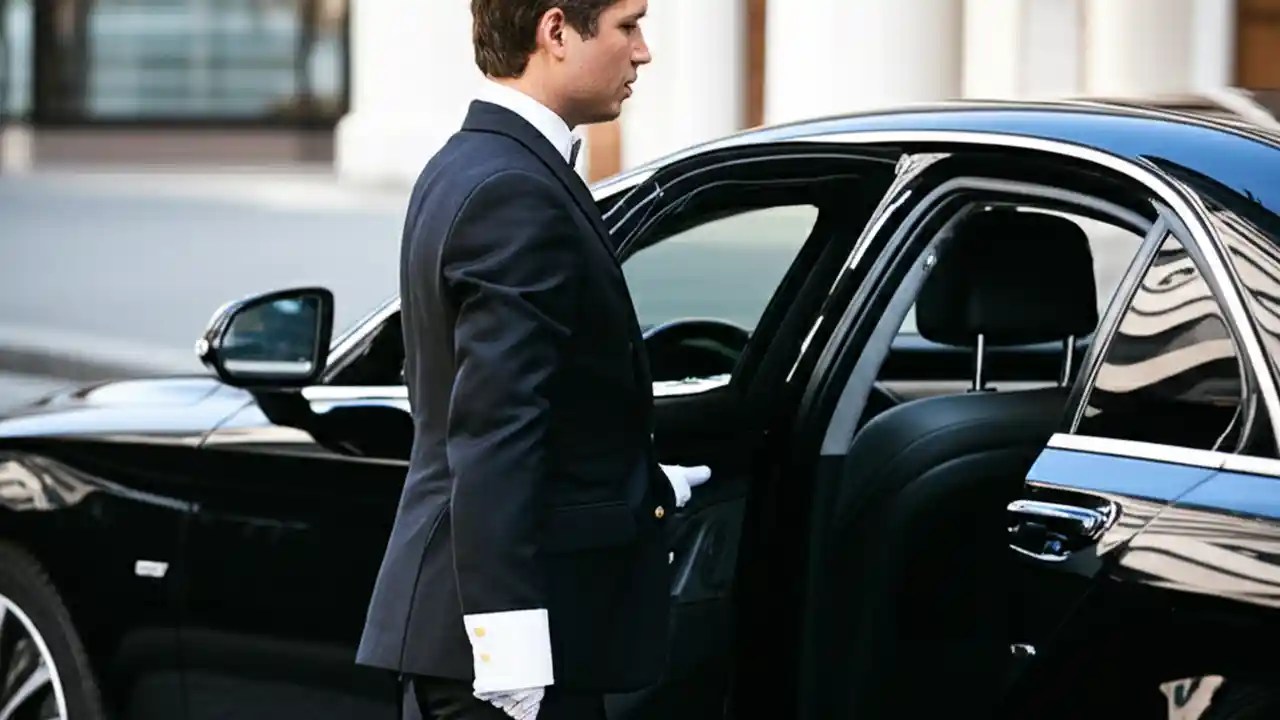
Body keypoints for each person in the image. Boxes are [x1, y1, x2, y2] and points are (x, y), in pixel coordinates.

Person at [355, 2, 712, 719]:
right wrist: (510, 651)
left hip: (482, 636)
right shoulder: (515, 189)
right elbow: (495, 428)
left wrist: (647, 485)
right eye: (627, 26)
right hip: (505, 653)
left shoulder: (467, 163)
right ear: (555, 32)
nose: (643, 51)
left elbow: (523, 403)